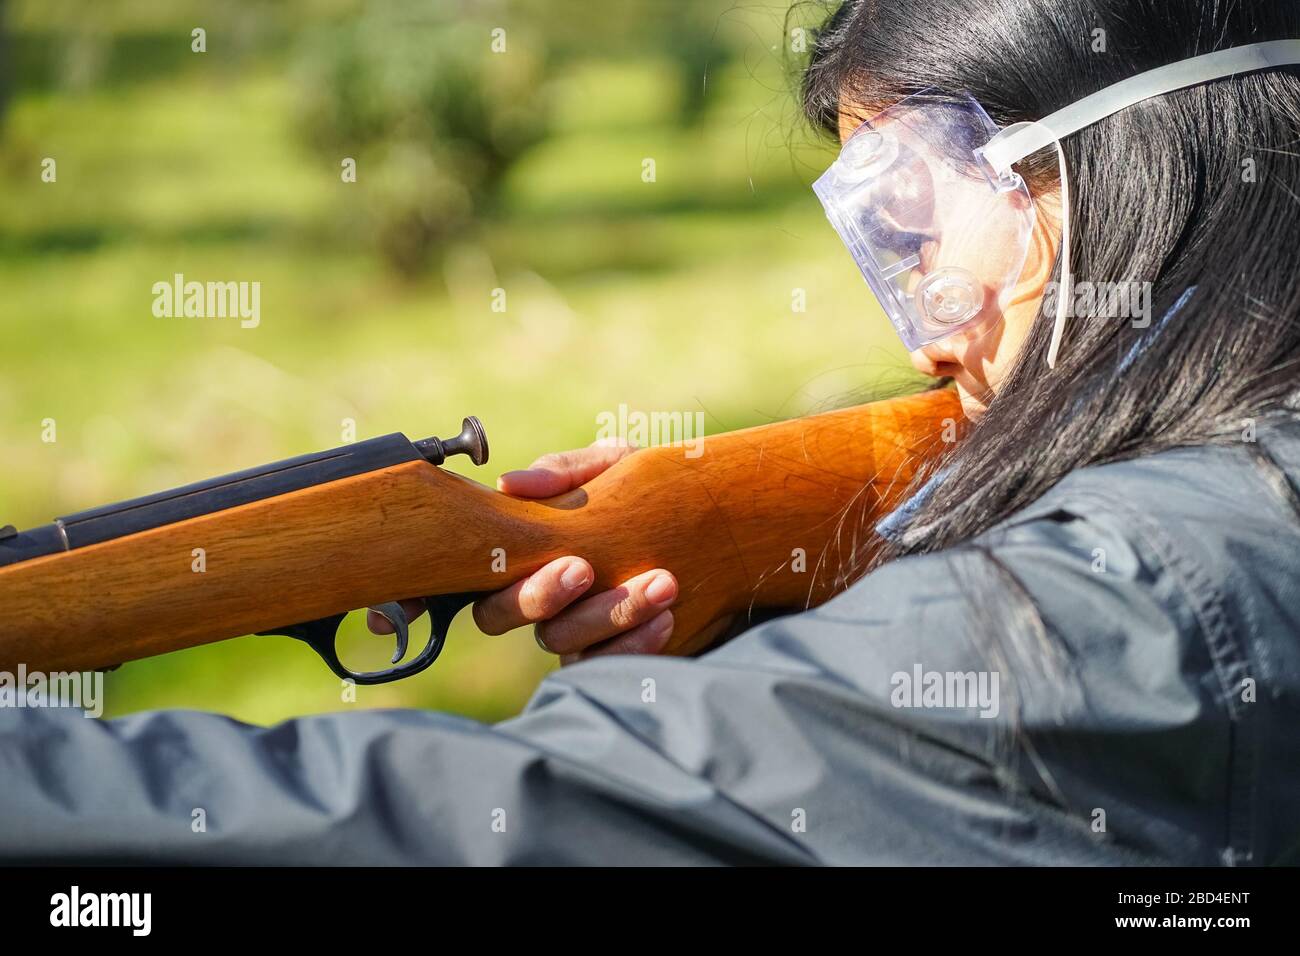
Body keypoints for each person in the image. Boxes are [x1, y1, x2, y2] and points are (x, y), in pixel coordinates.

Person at [3, 0, 1299, 865]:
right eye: (878, 244)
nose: (923, 337)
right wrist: (754, 615)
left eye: (922, 215)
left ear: (1138, 172)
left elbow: (486, 827)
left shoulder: (1121, 618)